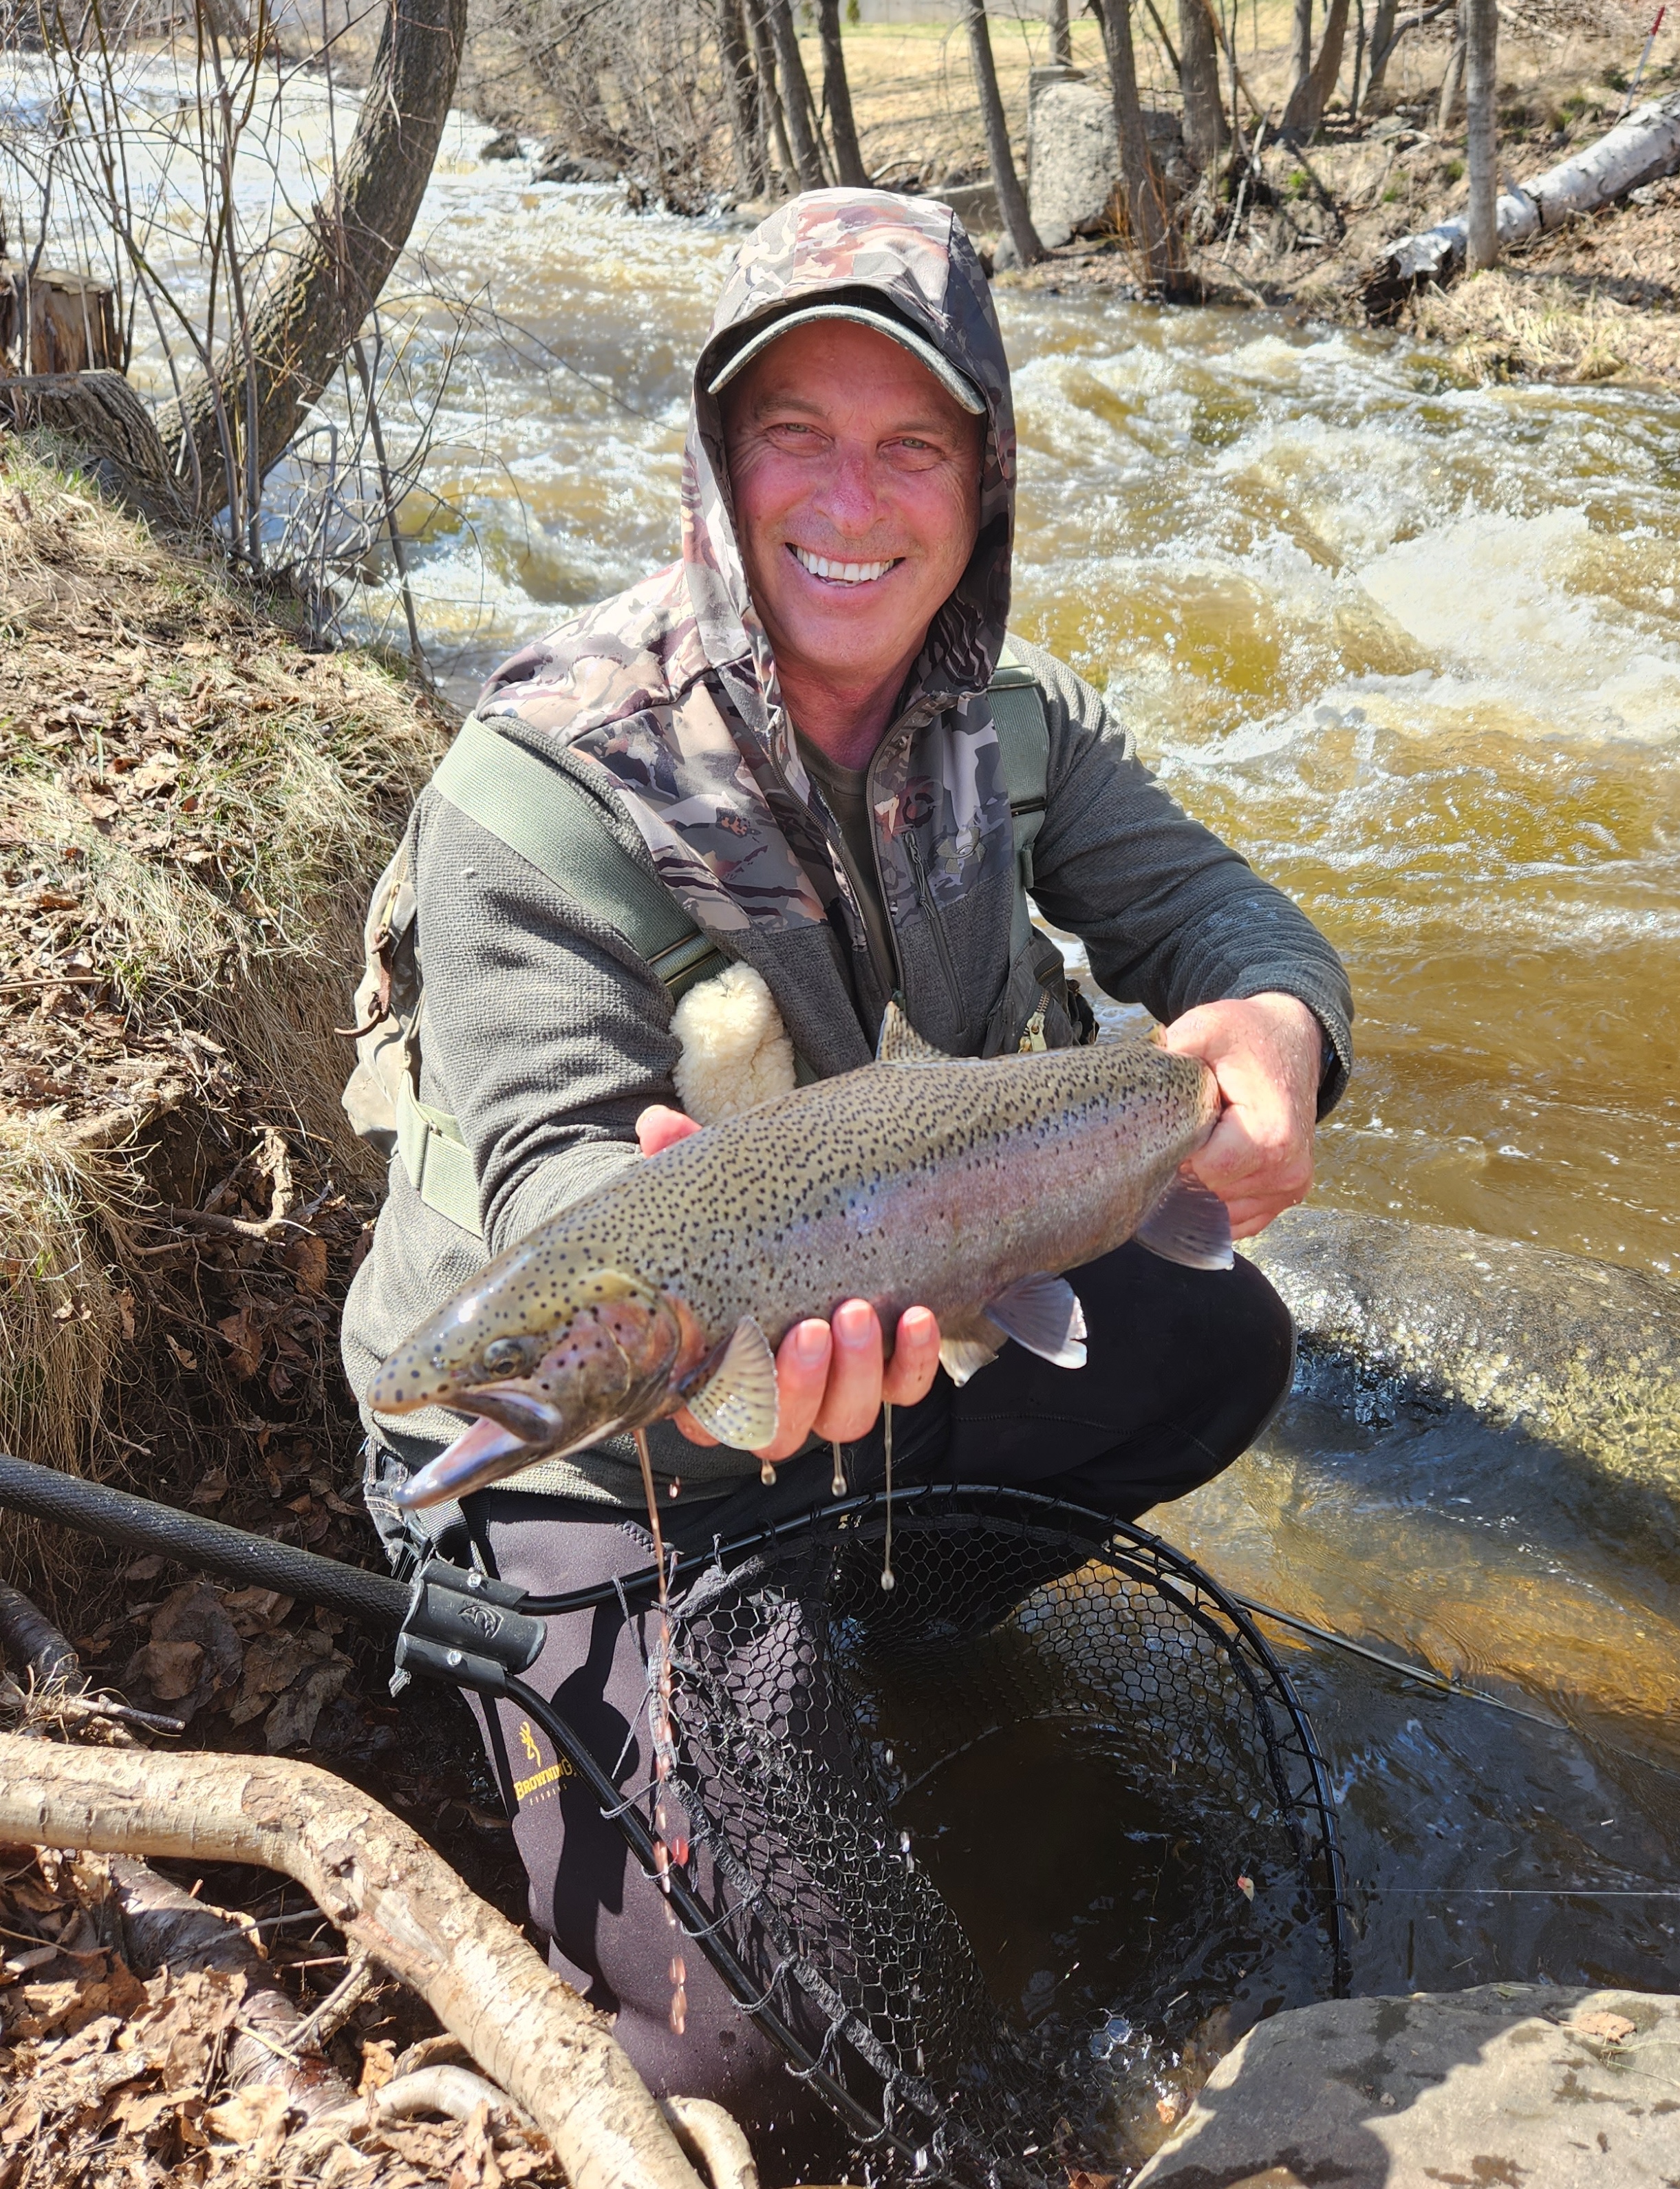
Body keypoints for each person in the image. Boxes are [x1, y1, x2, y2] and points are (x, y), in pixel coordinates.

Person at [341, 190, 1353, 2160]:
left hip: (883, 1314)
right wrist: (662, 1311)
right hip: (593, 1437)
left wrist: (1275, 1027)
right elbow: (565, 1174)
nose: (850, 499)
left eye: (912, 446)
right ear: (715, 465)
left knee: (1210, 1339)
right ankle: (705, 1641)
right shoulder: (542, 786)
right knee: (726, 2051)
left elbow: (1224, 921)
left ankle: (881, 1605)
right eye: (792, 431)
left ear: (982, 484)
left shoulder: (1019, 733)